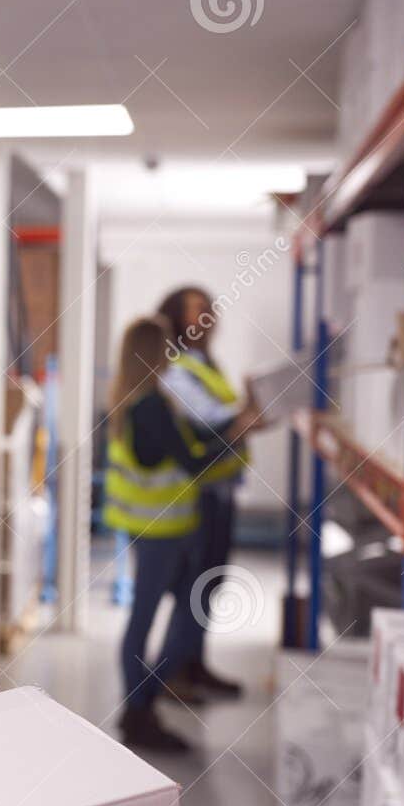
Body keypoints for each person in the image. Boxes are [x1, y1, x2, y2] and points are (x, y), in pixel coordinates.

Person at [103, 316, 262, 753]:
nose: (172, 357)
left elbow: (187, 443)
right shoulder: (152, 405)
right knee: (160, 618)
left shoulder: (131, 398)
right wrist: (237, 431)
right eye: (165, 349)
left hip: (150, 528)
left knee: (165, 613)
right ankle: (139, 710)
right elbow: (194, 461)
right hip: (163, 530)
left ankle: (141, 706)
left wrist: (232, 426)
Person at [156, 285, 257, 700]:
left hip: (221, 488)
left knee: (210, 584)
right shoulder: (176, 368)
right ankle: (171, 673)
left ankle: (193, 663)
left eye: (211, 309)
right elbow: (205, 420)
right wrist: (245, 415)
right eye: (198, 310)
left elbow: (225, 417)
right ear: (176, 319)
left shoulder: (205, 365)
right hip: (197, 494)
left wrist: (247, 415)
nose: (208, 317)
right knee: (193, 586)